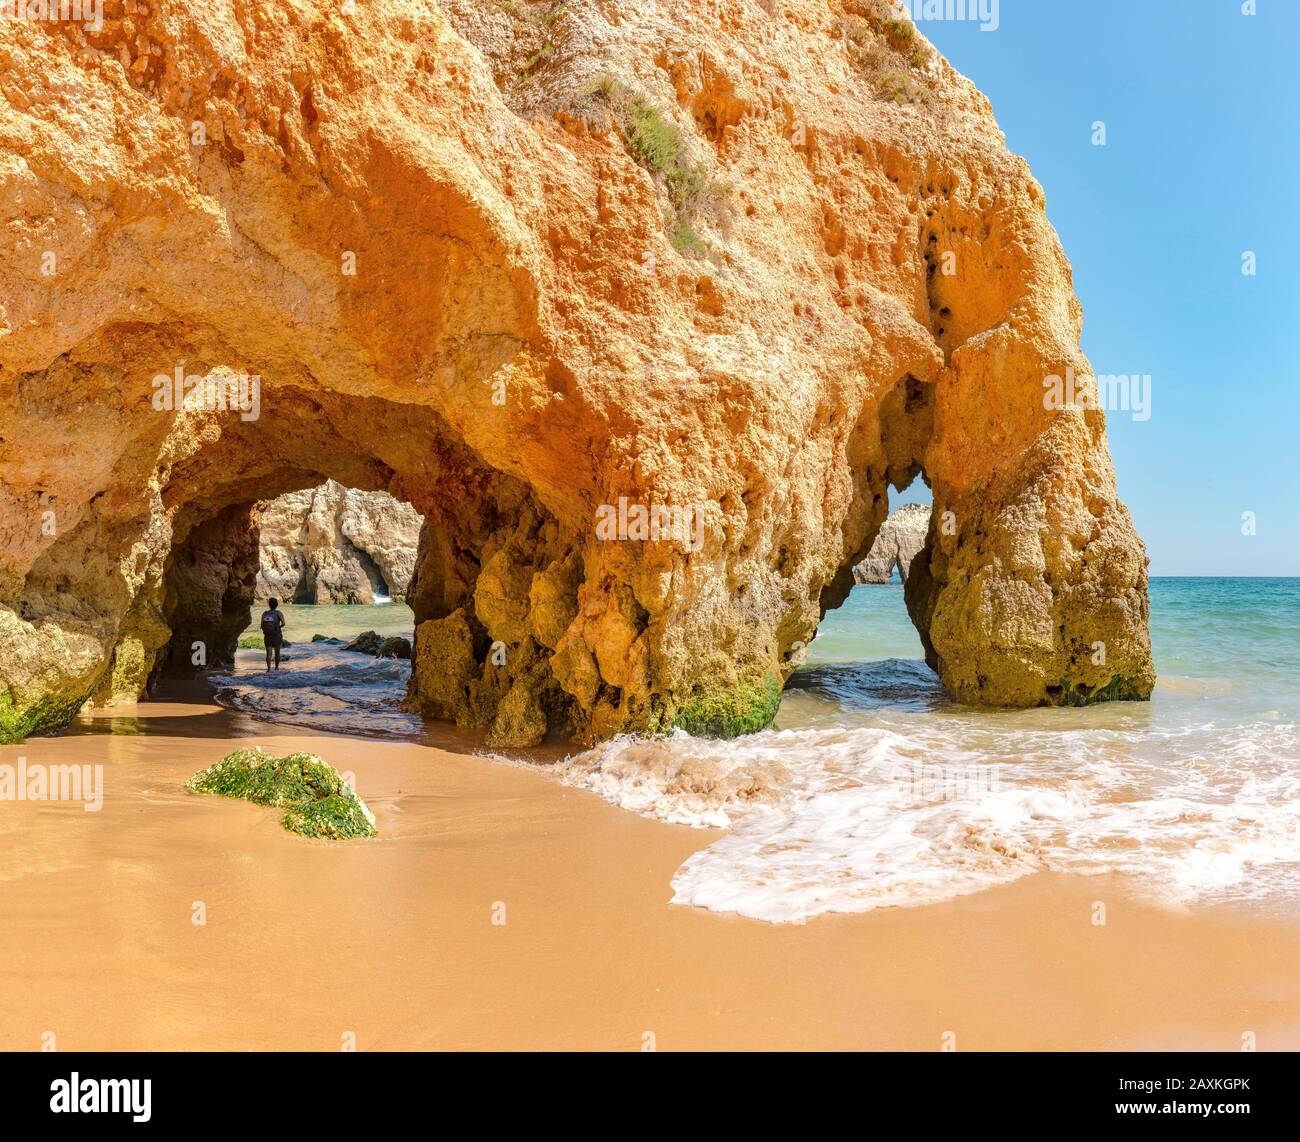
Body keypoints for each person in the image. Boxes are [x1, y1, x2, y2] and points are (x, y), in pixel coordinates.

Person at [260, 598, 286, 671]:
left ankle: (268, 669)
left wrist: (266, 631)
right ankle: (276, 668)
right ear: (276, 605)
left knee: (269, 654)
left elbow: (262, 625)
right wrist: (278, 627)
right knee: (277, 653)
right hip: (276, 636)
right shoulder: (279, 613)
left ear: (269, 605)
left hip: (267, 636)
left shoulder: (265, 613)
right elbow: (283, 623)